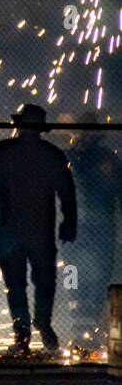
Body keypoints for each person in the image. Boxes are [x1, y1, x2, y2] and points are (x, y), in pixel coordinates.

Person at [0, 103, 76, 356]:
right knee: (45, 281)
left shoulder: (1, 151)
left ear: (18, 126)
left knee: (15, 285)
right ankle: (43, 323)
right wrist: (69, 221)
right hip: (41, 231)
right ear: (40, 129)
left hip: (10, 233)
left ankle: (22, 334)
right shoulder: (52, 154)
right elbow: (67, 193)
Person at [62, 111, 121, 345]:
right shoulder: (106, 159)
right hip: (85, 232)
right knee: (84, 280)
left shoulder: (70, 158)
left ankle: (84, 333)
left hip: (83, 232)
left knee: (79, 279)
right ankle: (86, 333)